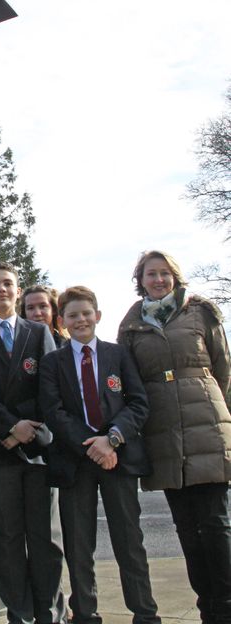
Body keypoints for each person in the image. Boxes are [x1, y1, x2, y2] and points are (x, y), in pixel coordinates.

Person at [118, 250, 231, 624]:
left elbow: (223, 368)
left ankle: (225, 607)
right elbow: (129, 380)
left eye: (164, 273)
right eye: (151, 274)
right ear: (141, 280)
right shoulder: (132, 324)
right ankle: (207, 607)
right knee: (187, 528)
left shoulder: (201, 312)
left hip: (207, 425)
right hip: (163, 433)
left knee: (216, 523)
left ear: (175, 276)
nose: (158, 280)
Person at [40, 285, 160, 624]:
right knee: (79, 546)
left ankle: (145, 613)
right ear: (62, 321)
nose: (80, 320)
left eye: (86, 313)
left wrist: (112, 439)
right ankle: (85, 614)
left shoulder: (118, 355)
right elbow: (53, 410)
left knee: (129, 541)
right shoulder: (52, 362)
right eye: (72, 315)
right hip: (75, 463)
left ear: (98, 316)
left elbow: (138, 402)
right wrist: (93, 445)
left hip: (118, 458)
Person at [0, 261, 65, 624]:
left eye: (7, 283)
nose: (1, 290)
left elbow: (50, 387)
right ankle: (20, 614)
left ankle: (49, 613)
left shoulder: (38, 334)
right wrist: (9, 428)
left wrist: (28, 429)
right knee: (6, 540)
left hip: (37, 450)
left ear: (18, 290)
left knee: (46, 539)